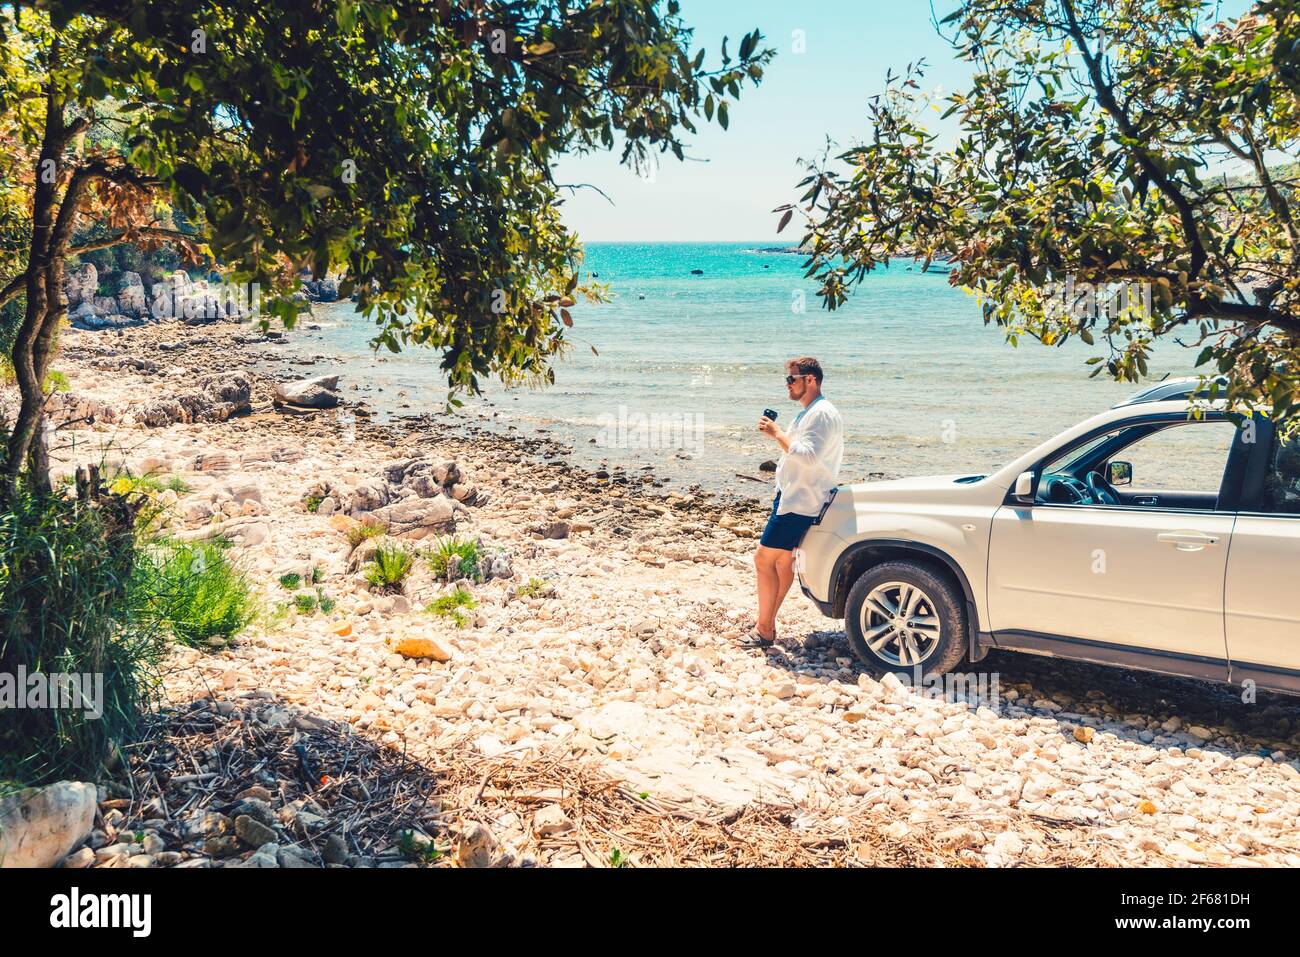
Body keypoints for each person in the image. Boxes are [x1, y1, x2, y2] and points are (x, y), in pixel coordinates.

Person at [744, 356, 843, 646]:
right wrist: (778, 435)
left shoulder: (821, 413)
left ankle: (763, 629)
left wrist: (777, 433)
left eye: (792, 379)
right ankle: (767, 624)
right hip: (792, 494)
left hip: (801, 500)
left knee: (763, 559)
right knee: (783, 562)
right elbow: (800, 451)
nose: (786, 384)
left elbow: (809, 456)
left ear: (809, 380)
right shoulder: (809, 411)